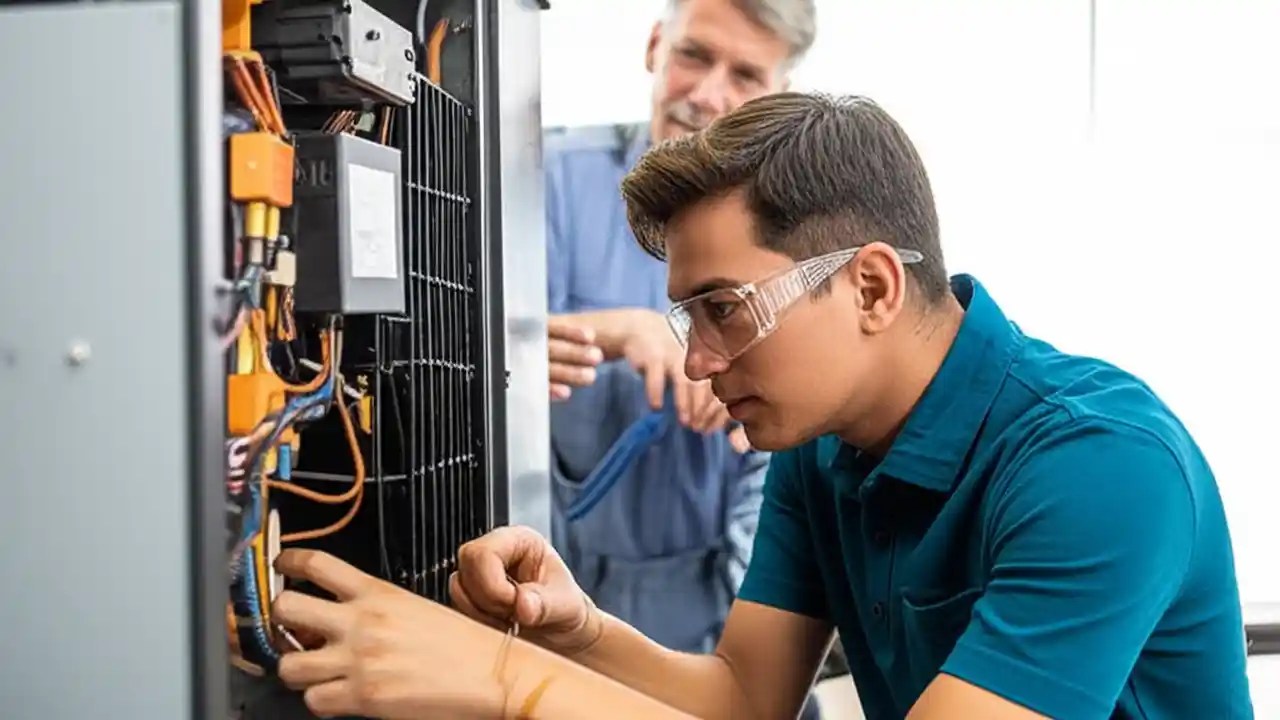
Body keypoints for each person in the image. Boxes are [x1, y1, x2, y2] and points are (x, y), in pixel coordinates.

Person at [269, 92, 1255, 719]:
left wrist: (499, 682)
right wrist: (573, 634)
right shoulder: (820, 449)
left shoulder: (1101, 467)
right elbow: (741, 698)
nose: (694, 363)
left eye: (722, 311)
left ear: (868, 287)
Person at [540, 2, 826, 714]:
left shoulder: (806, 229)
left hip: (727, 609)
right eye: (695, 55)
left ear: (781, 93)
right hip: (561, 595)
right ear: (653, 48)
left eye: (745, 74)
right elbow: (471, 348)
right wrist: (621, 331)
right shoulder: (543, 179)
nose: (706, 94)